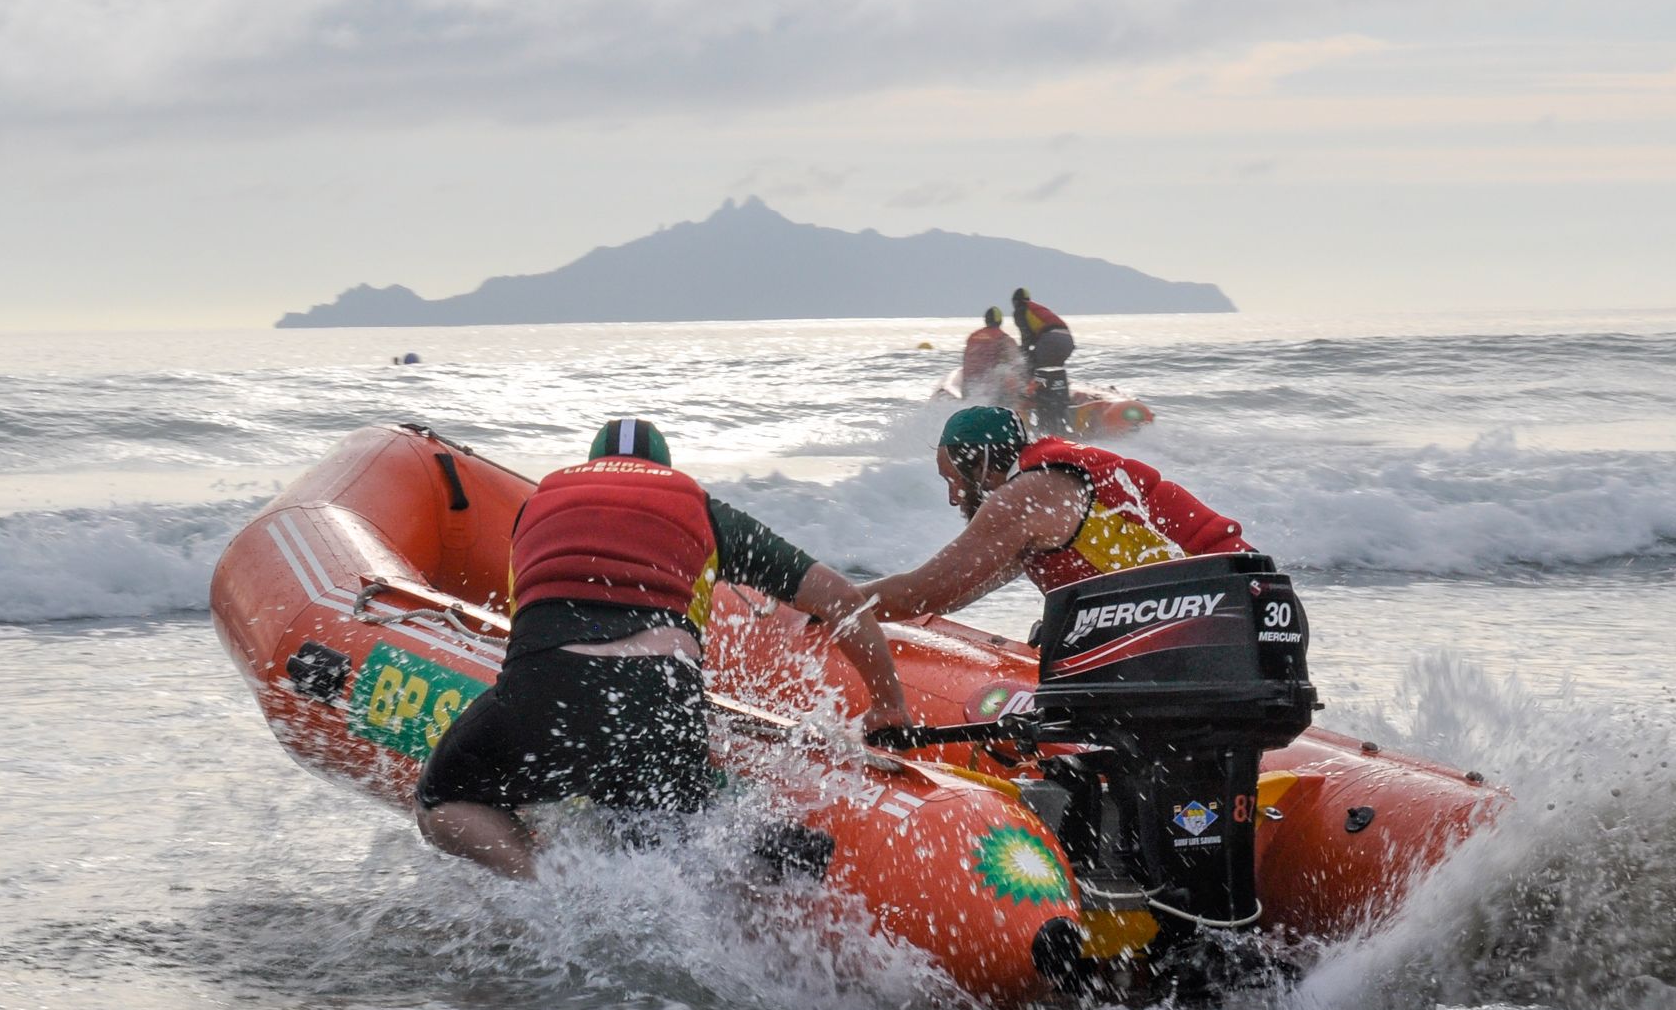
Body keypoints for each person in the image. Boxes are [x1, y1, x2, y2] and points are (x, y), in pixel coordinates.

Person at [415, 417, 912, 878]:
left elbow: (526, 615)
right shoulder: (700, 511)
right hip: (663, 695)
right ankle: (756, 847)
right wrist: (888, 704)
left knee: (441, 798)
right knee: (660, 825)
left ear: (588, 467)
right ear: (666, 471)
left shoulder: (535, 507)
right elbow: (843, 600)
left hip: (549, 689)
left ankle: (549, 890)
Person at [863, 405, 1251, 623]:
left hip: (1222, 612)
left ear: (979, 466)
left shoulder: (1029, 496)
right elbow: (952, 595)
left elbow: (922, 592)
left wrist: (820, 599)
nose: (952, 497)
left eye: (953, 480)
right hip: (1248, 607)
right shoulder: (1050, 483)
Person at [1009, 287, 1075, 432]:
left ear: (1015, 302)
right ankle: (1059, 398)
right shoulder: (1037, 308)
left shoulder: (1021, 310)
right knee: (1053, 371)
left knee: (1034, 367)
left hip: (1051, 339)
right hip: (1067, 340)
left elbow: (1026, 337)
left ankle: (1030, 396)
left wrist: (1022, 356)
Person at [959, 306, 1021, 406]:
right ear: (1000, 321)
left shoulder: (973, 336)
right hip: (992, 389)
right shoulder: (1003, 338)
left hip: (969, 385)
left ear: (986, 320)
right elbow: (1013, 364)